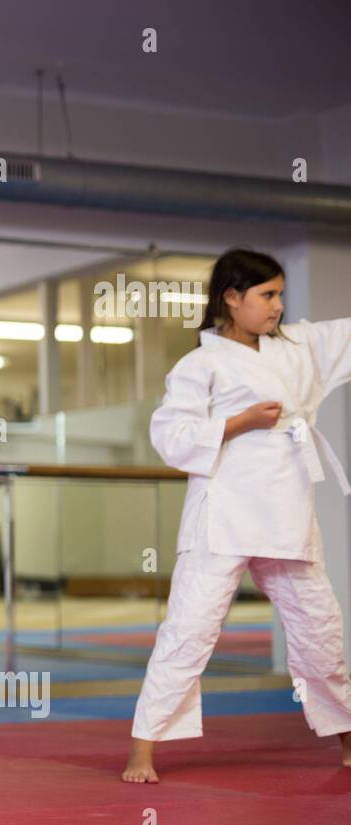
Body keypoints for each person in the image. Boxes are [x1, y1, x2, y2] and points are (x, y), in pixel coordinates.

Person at [123, 247, 351, 783]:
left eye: (279, 295)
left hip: (288, 507)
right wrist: (238, 422)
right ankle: (143, 749)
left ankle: (347, 736)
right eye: (267, 295)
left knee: (320, 628)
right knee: (189, 628)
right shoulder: (199, 364)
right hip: (223, 512)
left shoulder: (297, 346)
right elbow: (170, 438)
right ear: (231, 297)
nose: (277, 306)